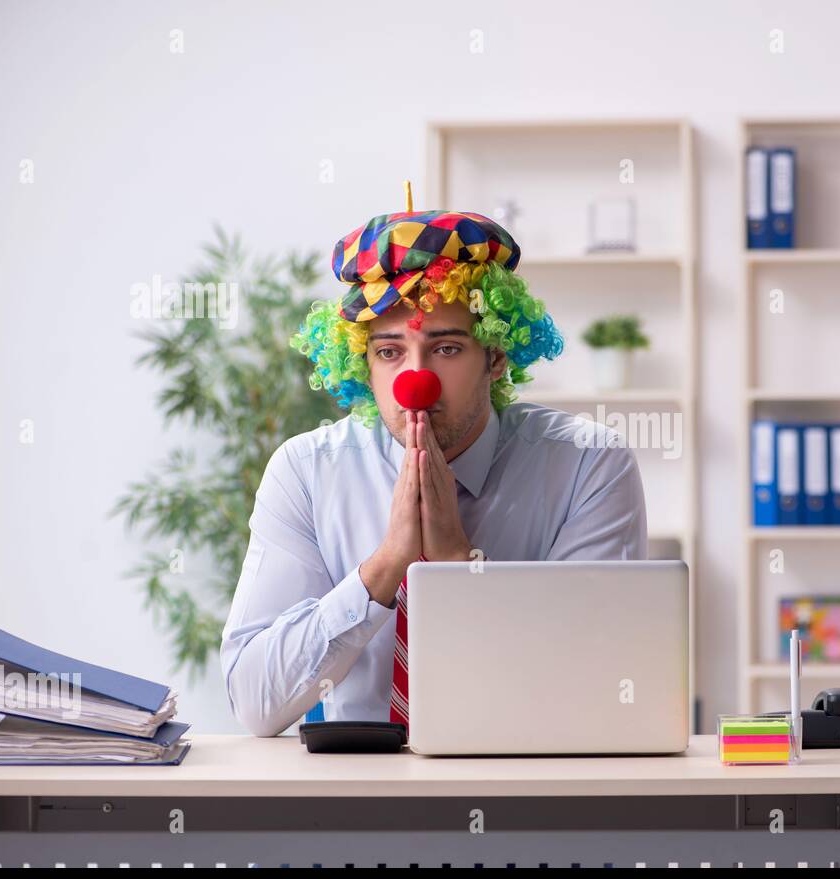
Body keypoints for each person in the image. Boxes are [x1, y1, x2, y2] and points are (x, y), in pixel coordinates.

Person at [220, 188, 648, 736]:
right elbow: (255, 704)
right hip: (361, 796)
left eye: (445, 349)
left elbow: (598, 689)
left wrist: (455, 563)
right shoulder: (305, 472)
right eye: (389, 352)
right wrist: (382, 571)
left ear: (495, 356)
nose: (413, 384)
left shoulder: (588, 465)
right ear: (362, 365)